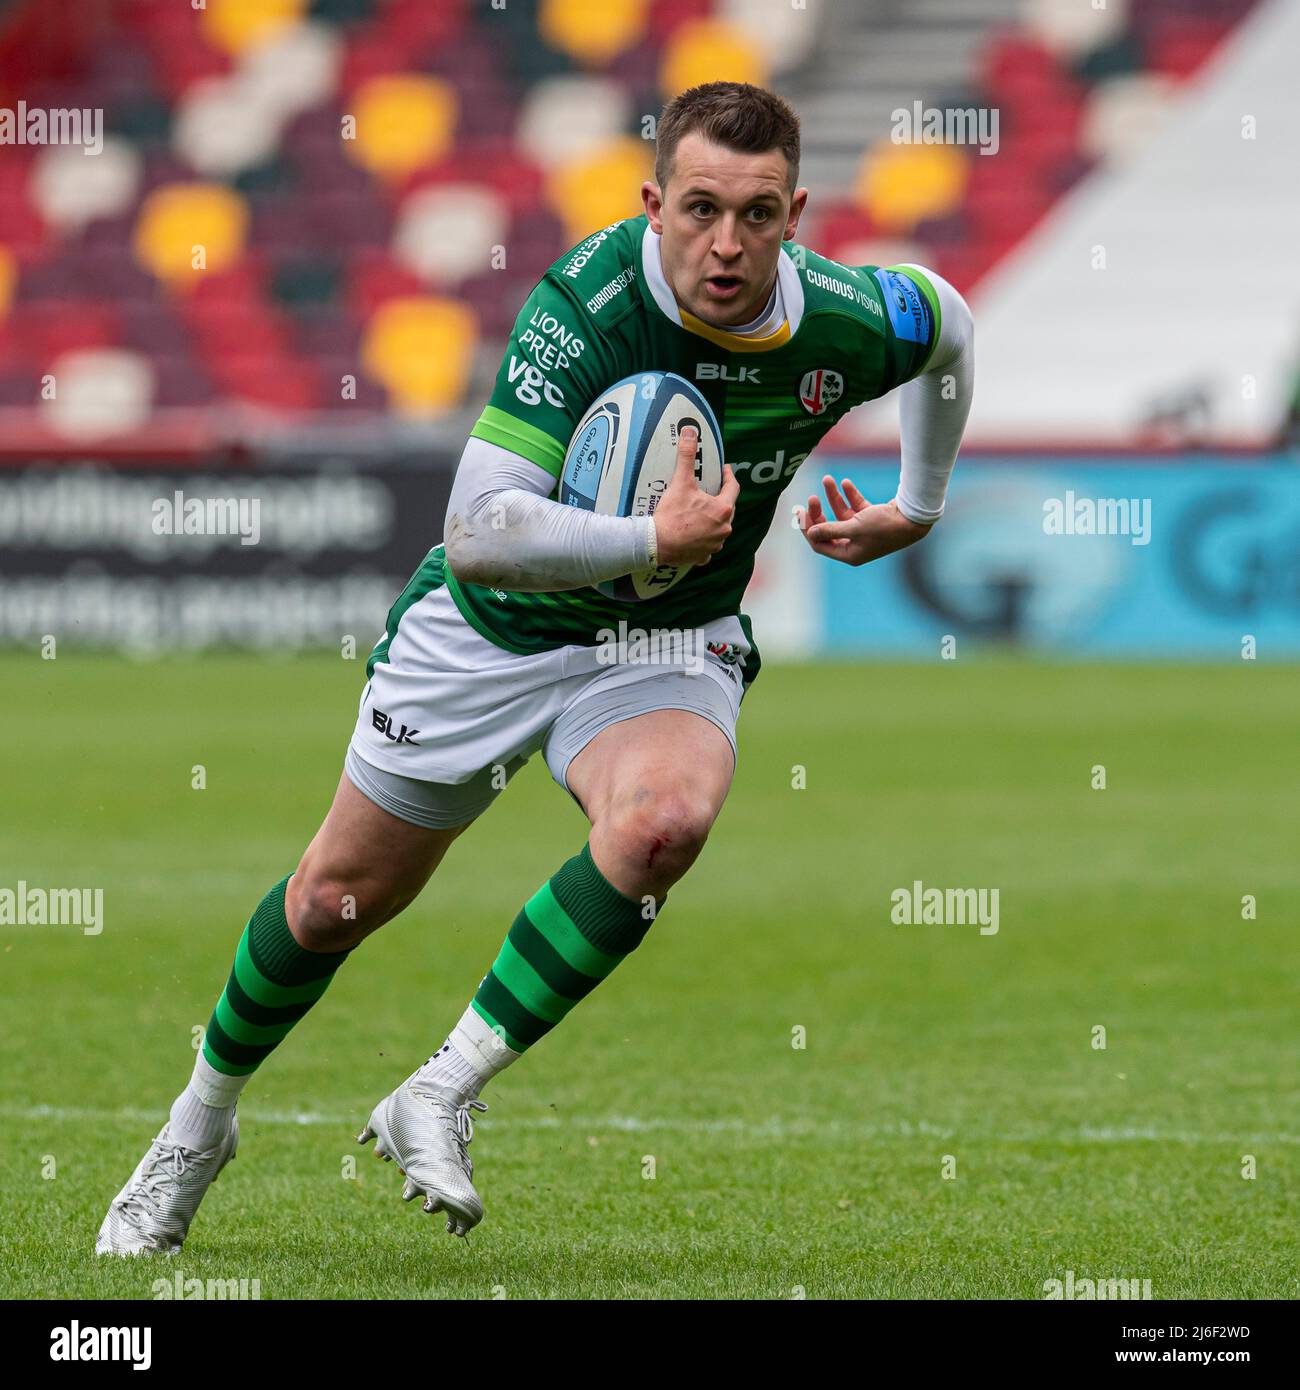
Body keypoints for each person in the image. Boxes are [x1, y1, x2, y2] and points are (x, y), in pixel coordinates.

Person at [97, 80, 973, 1254]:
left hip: (665, 639)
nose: (727, 244)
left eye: (759, 216)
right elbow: (482, 530)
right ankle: (199, 1122)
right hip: (494, 628)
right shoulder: (590, 300)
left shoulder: (844, 319)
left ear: (796, 211)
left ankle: (441, 1087)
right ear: (653, 202)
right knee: (333, 900)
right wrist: (647, 538)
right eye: (701, 209)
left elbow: (949, 322)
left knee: (663, 823)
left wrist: (917, 503)